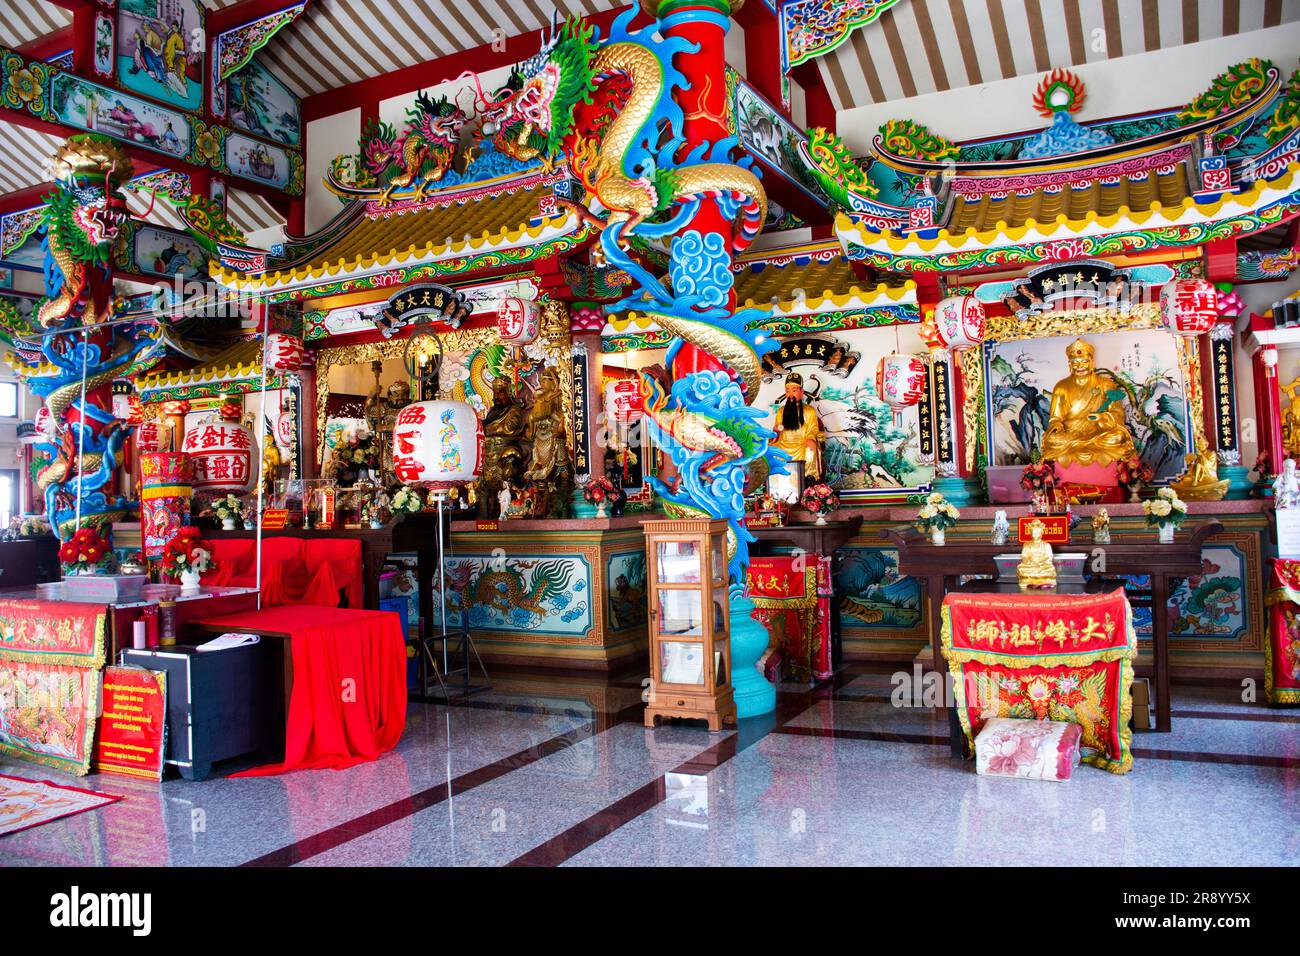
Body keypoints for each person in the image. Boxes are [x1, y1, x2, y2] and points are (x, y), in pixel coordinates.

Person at [1040, 338, 1137, 467]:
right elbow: (1055, 418)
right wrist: (1057, 425)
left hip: (1098, 433)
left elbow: (1118, 414)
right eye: (1075, 363)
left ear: (1092, 362)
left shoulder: (1106, 384)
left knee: (1117, 437)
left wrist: (1102, 416)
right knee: (1052, 440)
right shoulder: (1061, 387)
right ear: (1069, 364)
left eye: (1084, 361)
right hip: (1070, 434)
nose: (1080, 366)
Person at [771, 372, 825, 480]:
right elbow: (776, 431)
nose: (791, 394)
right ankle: (775, 480)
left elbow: (813, 429)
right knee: (772, 450)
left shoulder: (809, 411)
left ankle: (809, 478)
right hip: (784, 443)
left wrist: (810, 439)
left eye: (794, 391)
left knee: (810, 448)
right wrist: (776, 430)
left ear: (801, 392)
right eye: (788, 391)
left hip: (802, 443)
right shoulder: (781, 411)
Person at [1017, 518, 1056, 589]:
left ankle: (1045, 581)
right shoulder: (1026, 544)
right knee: (1021, 568)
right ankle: (1030, 581)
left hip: (1042, 565)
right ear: (1030, 533)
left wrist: (1041, 563)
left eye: (1037, 533)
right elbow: (1024, 556)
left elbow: (1049, 557)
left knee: (1051, 568)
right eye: (1034, 533)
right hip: (1030, 565)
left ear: (1041, 533)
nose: (1035, 535)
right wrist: (1030, 562)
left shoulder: (1046, 545)